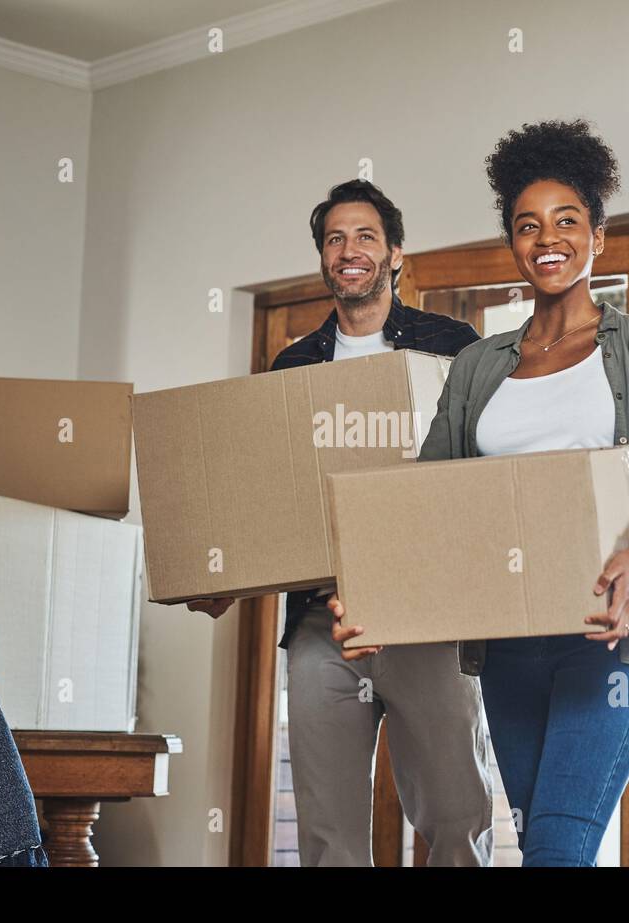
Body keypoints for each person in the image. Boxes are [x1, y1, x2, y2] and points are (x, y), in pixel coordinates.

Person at [332, 120, 629, 866]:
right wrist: (379, 598)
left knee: (557, 852)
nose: (547, 239)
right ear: (513, 243)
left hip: (613, 638)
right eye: (527, 225)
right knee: (543, 847)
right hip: (508, 650)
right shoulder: (479, 366)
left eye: (567, 220)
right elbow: (429, 501)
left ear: (598, 232)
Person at [192, 180, 494, 866]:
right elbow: (273, 499)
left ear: (394, 254)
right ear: (323, 259)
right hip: (322, 624)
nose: (348, 250)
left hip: (429, 620)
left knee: (455, 818)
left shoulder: (452, 348)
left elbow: (477, 479)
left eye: (364, 236)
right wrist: (230, 576)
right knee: (327, 835)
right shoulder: (292, 365)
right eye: (334, 239)